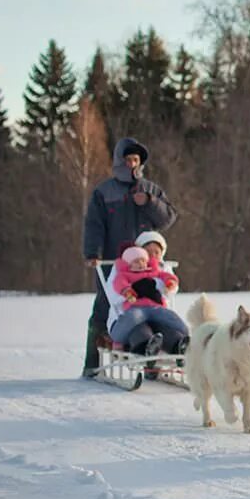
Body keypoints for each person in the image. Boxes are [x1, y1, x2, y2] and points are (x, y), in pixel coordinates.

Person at [81, 137, 177, 377]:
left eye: (136, 160)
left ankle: (152, 358)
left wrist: (149, 203)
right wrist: (93, 253)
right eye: (128, 159)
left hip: (148, 266)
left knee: (154, 307)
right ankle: (91, 363)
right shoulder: (104, 192)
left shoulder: (150, 189)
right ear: (119, 162)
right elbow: (94, 225)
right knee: (105, 308)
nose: (133, 164)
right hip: (115, 264)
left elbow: (168, 218)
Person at [106, 232, 188, 356]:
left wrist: (167, 284)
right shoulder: (124, 268)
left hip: (157, 312)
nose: (153, 255)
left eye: (157, 252)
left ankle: (179, 345)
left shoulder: (160, 267)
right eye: (148, 252)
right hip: (129, 315)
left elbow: (170, 286)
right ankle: (146, 346)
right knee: (140, 329)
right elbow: (113, 292)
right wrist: (132, 290)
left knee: (168, 330)